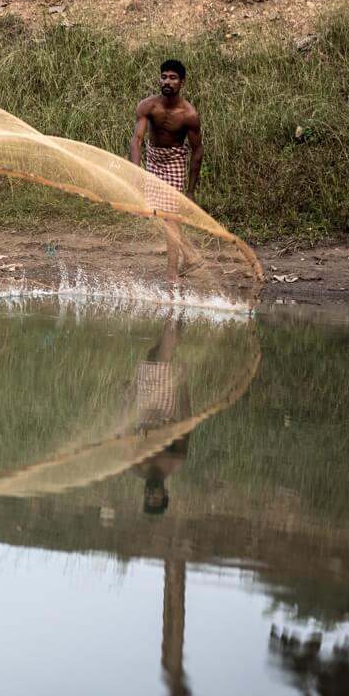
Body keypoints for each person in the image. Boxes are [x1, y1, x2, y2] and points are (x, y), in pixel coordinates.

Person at [129, 59, 204, 284]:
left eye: (172, 78)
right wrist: (136, 173)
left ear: (182, 82)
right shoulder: (148, 106)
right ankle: (191, 255)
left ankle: (172, 273)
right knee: (157, 213)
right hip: (153, 159)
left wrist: (190, 191)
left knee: (170, 218)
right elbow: (137, 140)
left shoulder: (189, 114)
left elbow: (197, 151)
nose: (167, 82)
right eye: (164, 77)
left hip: (174, 161)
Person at [129, 315, 192, 517]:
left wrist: (126, 398)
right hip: (165, 406)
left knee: (153, 354)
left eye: (147, 497)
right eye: (155, 496)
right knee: (163, 356)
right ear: (165, 493)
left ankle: (180, 315)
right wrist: (183, 384)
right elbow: (186, 425)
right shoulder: (175, 461)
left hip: (143, 405)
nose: (150, 492)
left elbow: (123, 433)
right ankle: (174, 309)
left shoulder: (136, 467)